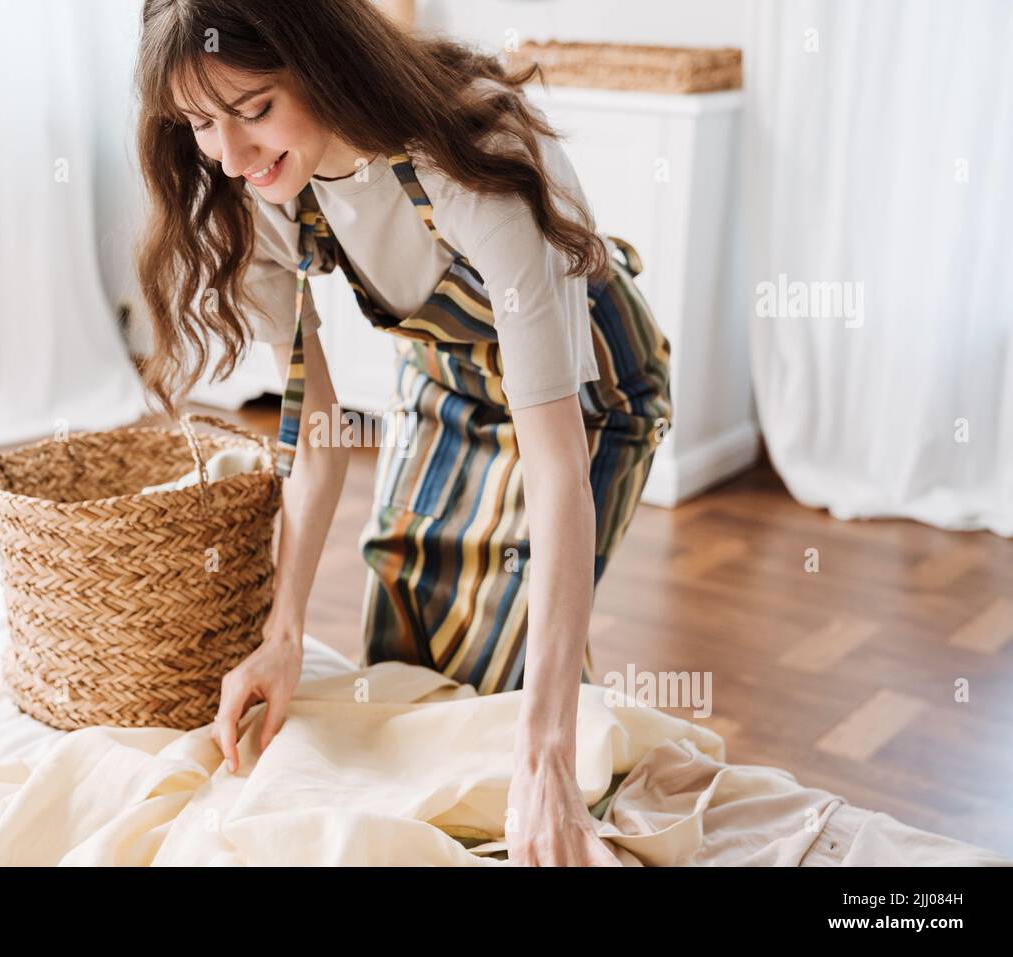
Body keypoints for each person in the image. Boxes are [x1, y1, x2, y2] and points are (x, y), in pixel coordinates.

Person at [133, 0, 671, 866]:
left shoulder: (476, 158)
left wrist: (544, 750)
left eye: (254, 109)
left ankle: (566, 749)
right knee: (408, 676)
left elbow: (557, 469)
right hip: (447, 381)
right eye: (199, 123)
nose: (228, 157)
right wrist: (281, 636)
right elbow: (316, 435)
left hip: (588, 393)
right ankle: (551, 716)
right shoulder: (264, 188)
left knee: (504, 705)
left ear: (322, 60)